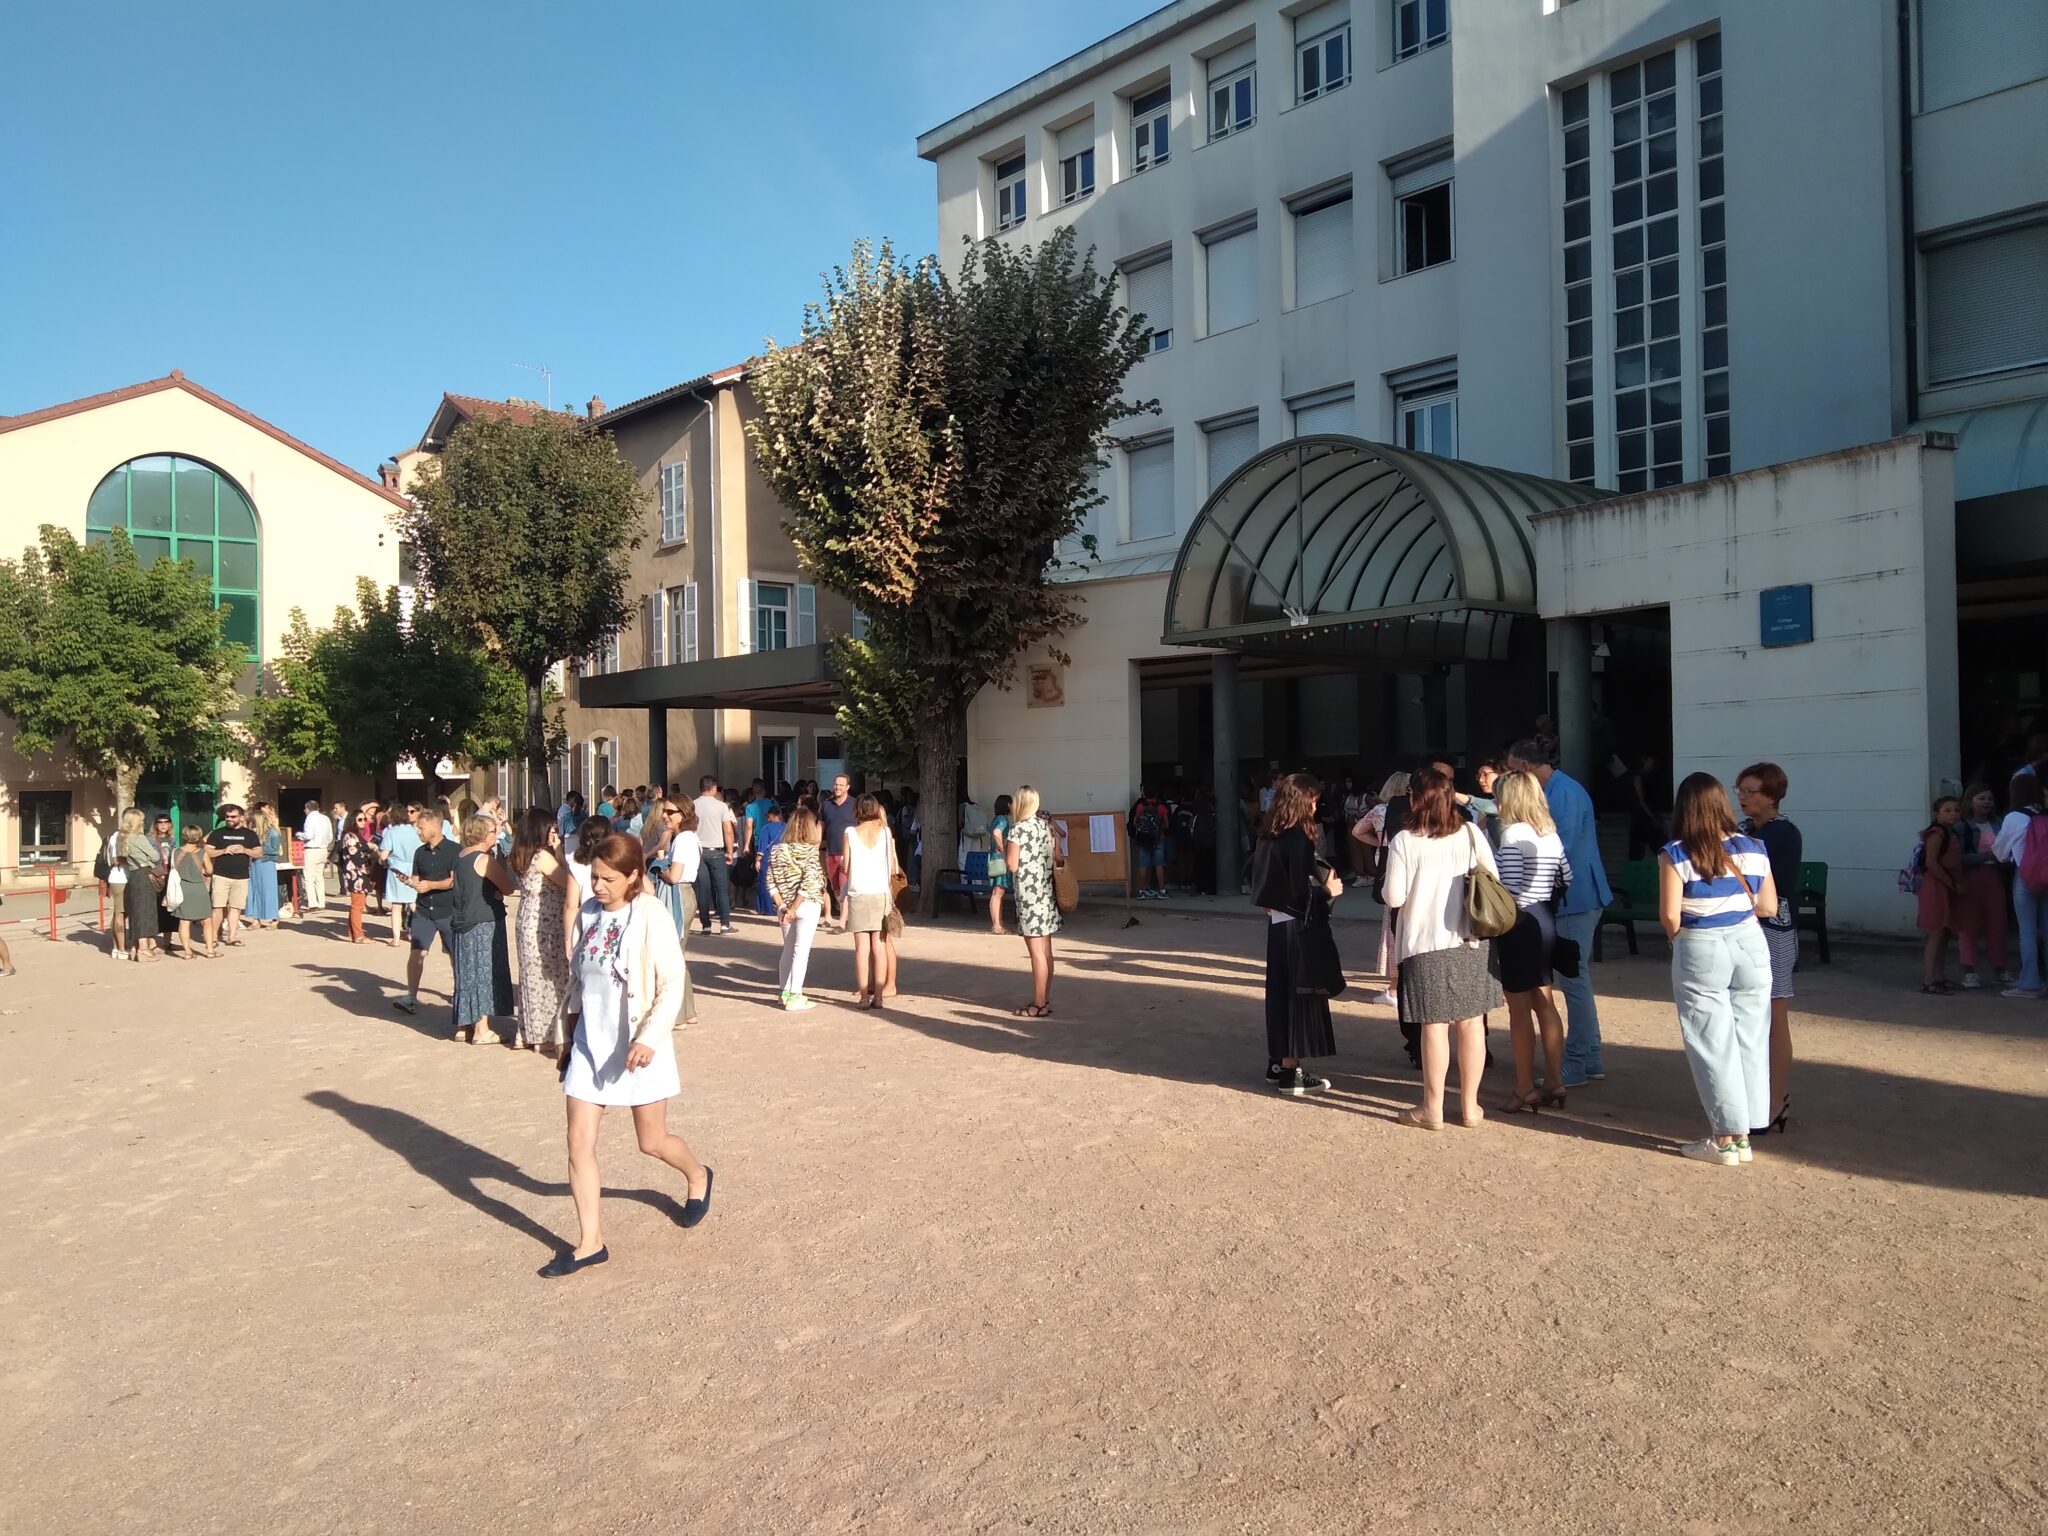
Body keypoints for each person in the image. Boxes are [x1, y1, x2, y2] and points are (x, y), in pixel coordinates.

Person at [546, 832, 713, 1277]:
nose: (597, 886)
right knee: (578, 1143)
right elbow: (577, 981)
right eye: (594, 877)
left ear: (634, 876)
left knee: (651, 1142)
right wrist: (567, 1032)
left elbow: (672, 983)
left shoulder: (650, 915)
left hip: (638, 1042)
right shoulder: (588, 913)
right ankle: (590, 1242)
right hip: (589, 1044)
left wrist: (649, 1038)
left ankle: (698, 1175)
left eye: (608, 879)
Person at [1659, 772, 1777, 1166]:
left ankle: (1725, 1137)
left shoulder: (1676, 852)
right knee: (1751, 1037)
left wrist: (1678, 941)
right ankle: (1745, 1134)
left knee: (1711, 1042)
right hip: (1750, 943)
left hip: (1701, 943)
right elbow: (1768, 907)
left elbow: (1670, 915)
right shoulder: (1756, 847)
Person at [1383, 769, 1504, 1129]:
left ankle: (1431, 1108)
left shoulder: (1405, 840)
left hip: (1424, 942)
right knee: (1471, 1024)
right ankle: (1469, 1106)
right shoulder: (1470, 833)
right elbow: (1492, 878)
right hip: (1470, 939)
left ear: (1415, 799)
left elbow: (1394, 896)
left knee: (1433, 1026)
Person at [1506, 739, 1613, 1086]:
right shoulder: (1563, 788)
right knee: (1573, 978)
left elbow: (1554, 854)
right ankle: (1589, 1056)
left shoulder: (1562, 794)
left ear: (1523, 767)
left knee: (1573, 979)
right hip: (1570, 897)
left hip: (1573, 900)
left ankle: (1578, 1059)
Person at [1252, 773, 1343, 1096]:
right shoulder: (1298, 838)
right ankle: (1292, 1070)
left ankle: (1278, 1063)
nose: (1317, 805)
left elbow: (1263, 887)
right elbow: (1300, 892)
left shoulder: (1267, 834)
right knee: (1299, 995)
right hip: (1296, 926)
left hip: (1277, 925)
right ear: (1304, 801)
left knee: (1280, 993)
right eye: (1314, 799)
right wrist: (1327, 891)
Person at [1491, 769, 1572, 1115]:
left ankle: (1524, 1087)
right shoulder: (1549, 833)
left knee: (1519, 1010)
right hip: (1544, 917)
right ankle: (1554, 1080)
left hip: (1518, 921)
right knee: (1546, 1000)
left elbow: (1509, 884)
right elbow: (1565, 876)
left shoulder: (1512, 834)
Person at [1735, 763, 1801, 1135]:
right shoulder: (1745, 830)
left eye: (1751, 792)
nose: (1742, 798)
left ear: (1772, 795)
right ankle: (1752, 1097)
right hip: (1743, 926)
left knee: (1775, 1013)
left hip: (1774, 928)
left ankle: (1776, 1100)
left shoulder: (1782, 833)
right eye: (1740, 791)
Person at [511, 807, 575, 1055]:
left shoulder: (520, 853)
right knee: (550, 978)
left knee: (530, 977)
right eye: (550, 828)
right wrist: (560, 851)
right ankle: (545, 1034)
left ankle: (527, 1032)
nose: (553, 832)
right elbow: (568, 881)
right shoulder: (542, 857)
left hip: (528, 915)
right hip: (545, 921)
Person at [449, 813, 515, 1045]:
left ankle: (462, 1025)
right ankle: (481, 1029)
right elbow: (508, 886)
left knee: (466, 972)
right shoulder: (484, 860)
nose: (495, 835)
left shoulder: (460, 857)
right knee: (484, 972)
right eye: (492, 832)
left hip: (462, 920)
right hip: (484, 921)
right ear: (481, 834)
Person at [1352, 771, 1411, 1015]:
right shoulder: (1412, 810)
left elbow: (1357, 831)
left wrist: (1380, 843)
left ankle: (1394, 986)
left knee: (1392, 930)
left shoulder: (1379, 811)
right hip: (1410, 870)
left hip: (1387, 872)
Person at [1004, 786, 1064, 1019]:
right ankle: (1044, 998)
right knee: (1047, 951)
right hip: (1047, 893)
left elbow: (1012, 865)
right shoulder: (1045, 827)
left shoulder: (1017, 830)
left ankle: (1038, 1004)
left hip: (1029, 897)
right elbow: (1059, 856)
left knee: (1036, 952)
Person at [393, 808, 460, 1015]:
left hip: (448, 910)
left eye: (421, 827)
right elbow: (416, 877)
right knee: (417, 953)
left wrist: (431, 885)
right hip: (423, 910)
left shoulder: (454, 850)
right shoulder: (419, 852)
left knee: (455, 955)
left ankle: (460, 994)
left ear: (435, 826)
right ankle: (411, 996)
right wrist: (410, 882)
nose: (418, 831)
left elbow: (453, 880)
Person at [766, 805, 827, 1010]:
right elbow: (809, 881)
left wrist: (784, 906)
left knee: (788, 949)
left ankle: (784, 991)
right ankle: (795, 994)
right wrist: (794, 907)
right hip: (807, 905)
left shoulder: (776, 850)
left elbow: (770, 882)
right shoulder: (811, 851)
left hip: (783, 905)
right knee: (801, 951)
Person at [840, 794, 899, 1007]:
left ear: (856, 810)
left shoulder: (850, 833)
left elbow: (845, 866)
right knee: (879, 945)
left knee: (861, 947)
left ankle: (864, 996)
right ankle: (880, 997)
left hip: (858, 892)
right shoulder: (885, 832)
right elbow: (892, 867)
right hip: (880, 892)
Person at [1954, 785, 2012, 991]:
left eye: (1990, 798)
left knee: (1997, 922)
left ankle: (1999, 968)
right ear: (1970, 801)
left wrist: (2003, 859)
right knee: (1968, 924)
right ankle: (1968, 970)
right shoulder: (1963, 827)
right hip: (1971, 876)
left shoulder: (1998, 824)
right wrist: (1985, 857)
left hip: (1995, 877)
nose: (1986, 802)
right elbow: (1958, 857)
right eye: (1981, 798)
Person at [650, 798, 702, 1028]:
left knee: (670, 956)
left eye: (670, 812)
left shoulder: (682, 839)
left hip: (677, 895)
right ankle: (687, 1011)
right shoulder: (688, 838)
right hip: (684, 893)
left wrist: (658, 867)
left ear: (683, 814)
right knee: (677, 954)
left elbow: (673, 876)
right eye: (665, 811)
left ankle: (677, 1015)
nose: (665, 816)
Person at [1994, 775, 2046, 998]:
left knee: (2027, 931)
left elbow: (2001, 852)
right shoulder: (2044, 814)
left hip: (2025, 876)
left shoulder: (2014, 817)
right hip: (2047, 876)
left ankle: (2029, 983)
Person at [1916, 796, 1964, 994]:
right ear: (1938, 814)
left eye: (1956, 810)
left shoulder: (1953, 834)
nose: (1953, 813)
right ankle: (1929, 980)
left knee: (1944, 933)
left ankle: (1939, 976)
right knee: (1936, 932)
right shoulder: (1936, 834)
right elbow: (1931, 863)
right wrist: (1952, 884)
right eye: (1947, 810)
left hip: (1946, 885)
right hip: (1936, 886)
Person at [205, 805, 261, 948]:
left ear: (241, 817)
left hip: (241, 876)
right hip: (221, 875)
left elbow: (259, 853)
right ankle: (213, 938)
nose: (229, 819)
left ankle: (232, 936)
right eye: (227, 817)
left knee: (236, 908)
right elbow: (207, 853)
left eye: (233, 817)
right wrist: (224, 850)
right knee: (218, 907)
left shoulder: (249, 834)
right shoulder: (217, 833)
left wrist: (245, 850)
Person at [692, 776, 738, 935]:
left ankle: (705, 925)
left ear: (700, 788)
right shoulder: (721, 807)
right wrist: (730, 852)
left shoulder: (693, 805)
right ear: (714, 788)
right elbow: (728, 831)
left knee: (702, 889)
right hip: (717, 851)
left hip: (698, 851)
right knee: (721, 889)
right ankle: (725, 924)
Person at [117, 808, 163, 964]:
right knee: (144, 912)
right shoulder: (139, 838)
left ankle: (136, 947)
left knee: (136, 912)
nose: (144, 823)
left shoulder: (123, 838)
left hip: (134, 875)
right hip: (144, 874)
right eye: (142, 820)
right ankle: (143, 948)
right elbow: (155, 856)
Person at [378, 803, 423, 947]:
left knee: (396, 906)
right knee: (414, 903)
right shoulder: (415, 831)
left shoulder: (392, 832)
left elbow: (384, 855)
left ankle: (396, 939)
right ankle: (417, 934)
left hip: (397, 870)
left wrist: (379, 856)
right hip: (414, 868)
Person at [169, 824, 217, 958]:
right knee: (207, 920)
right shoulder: (202, 853)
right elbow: (210, 871)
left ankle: (187, 952)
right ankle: (210, 951)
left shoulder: (176, 852)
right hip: (198, 888)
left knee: (184, 921)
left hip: (182, 887)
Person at [818, 774, 858, 928]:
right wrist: (817, 843)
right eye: (836, 784)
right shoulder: (826, 804)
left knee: (844, 888)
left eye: (841, 785)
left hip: (848, 853)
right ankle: (842, 917)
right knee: (835, 888)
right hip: (830, 852)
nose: (837, 787)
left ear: (847, 787)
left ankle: (842, 922)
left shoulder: (854, 804)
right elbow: (821, 825)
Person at [336, 807, 379, 944]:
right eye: (359, 819)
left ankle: (353, 933)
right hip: (356, 876)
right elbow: (357, 858)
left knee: (357, 905)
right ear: (353, 821)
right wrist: (370, 853)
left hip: (359, 874)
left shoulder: (356, 835)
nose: (363, 822)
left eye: (364, 819)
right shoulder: (350, 837)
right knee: (357, 906)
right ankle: (358, 935)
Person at [242, 806, 282, 930]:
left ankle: (274, 919)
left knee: (269, 891)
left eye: (253, 821)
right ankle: (256, 919)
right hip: (253, 862)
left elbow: (275, 850)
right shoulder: (252, 833)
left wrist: (258, 849)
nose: (251, 824)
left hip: (266, 863)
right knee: (254, 890)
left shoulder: (273, 833)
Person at [1129, 784, 1170, 899]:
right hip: (1158, 839)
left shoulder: (1140, 806)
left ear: (1144, 793)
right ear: (1156, 793)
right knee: (1159, 864)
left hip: (1143, 839)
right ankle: (1161, 891)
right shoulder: (1161, 807)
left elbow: (1135, 822)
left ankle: (1142, 891)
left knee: (1143, 865)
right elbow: (1167, 824)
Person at [567, 815, 613, 907]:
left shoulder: (576, 865)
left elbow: (570, 906)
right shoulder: (618, 862)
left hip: (586, 914)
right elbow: (648, 890)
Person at [1628, 752, 1667, 859]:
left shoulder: (1649, 777)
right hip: (1642, 817)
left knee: (1640, 849)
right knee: (1654, 844)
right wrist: (1652, 816)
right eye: (1650, 762)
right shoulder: (1639, 777)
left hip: (1643, 816)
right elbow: (1641, 800)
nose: (1652, 765)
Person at [299, 799, 334, 911]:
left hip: (311, 849)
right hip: (323, 849)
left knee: (309, 877)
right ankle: (321, 902)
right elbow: (330, 837)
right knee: (319, 877)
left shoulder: (310, 818)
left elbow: (308, 835)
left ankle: (313, 903)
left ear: (307, 809)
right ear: (318, 808)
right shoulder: (326, 818)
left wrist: (299, 835)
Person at [987, 794, 1015, 935]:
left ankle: (999, 923)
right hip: (1000, 859)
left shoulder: (996, 819)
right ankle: (997, 925)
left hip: (994, 857)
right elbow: (997, 833)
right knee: (998, 892)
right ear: (1007, 805)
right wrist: (1003, 850)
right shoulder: (1003, 820)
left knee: (998, 892)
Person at [752, 804, 787, 916]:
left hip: (768, 858)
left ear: (772, 815)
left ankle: (765, 908)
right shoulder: (787, 827)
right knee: (783, 883)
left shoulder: (766, 828)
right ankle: (783, 906)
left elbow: (762, 846)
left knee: (766, 883)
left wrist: (758, 860)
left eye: (768, 816)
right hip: (784, 858)